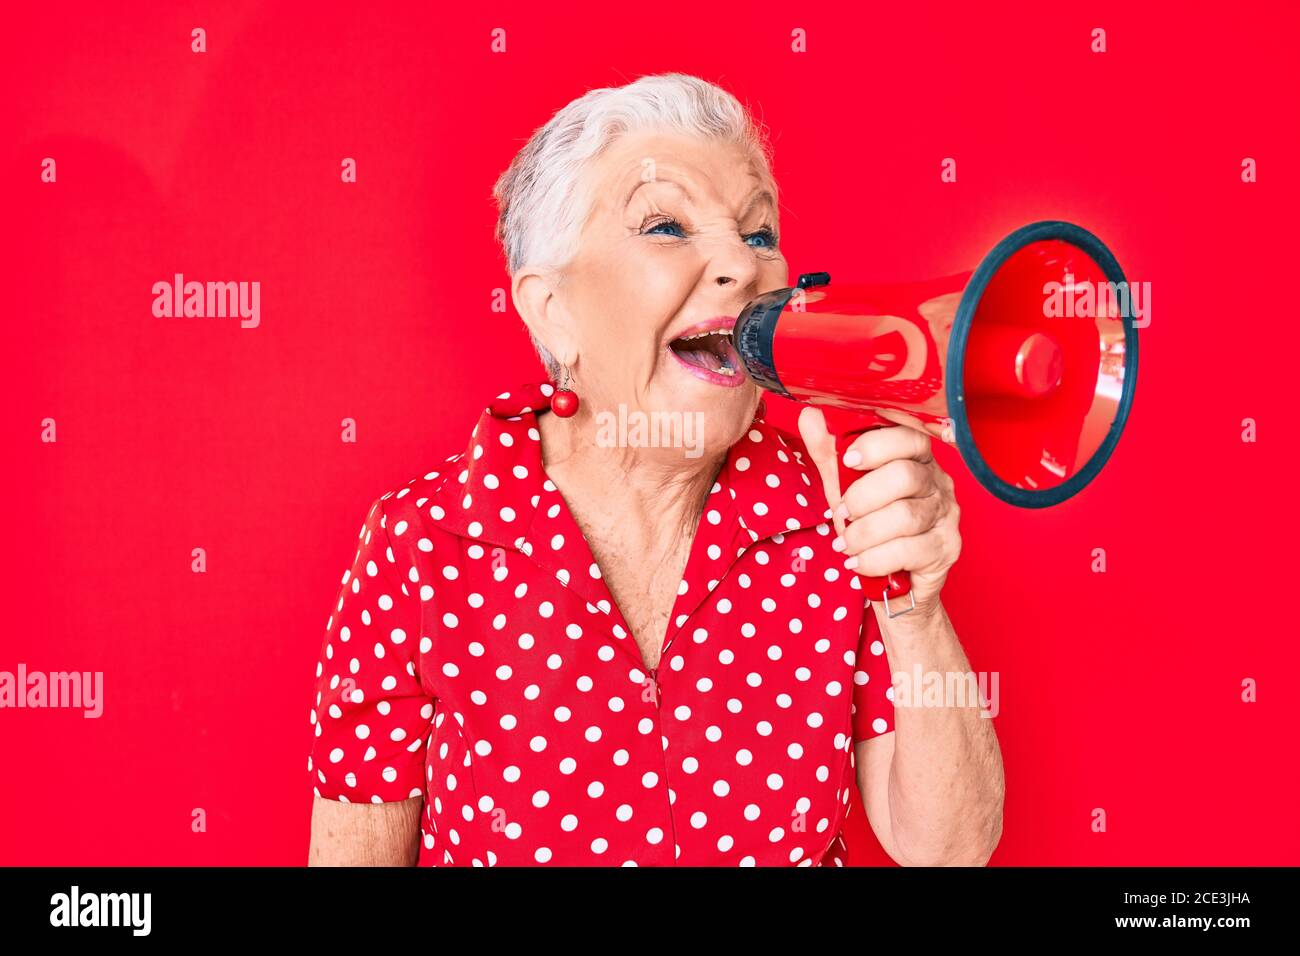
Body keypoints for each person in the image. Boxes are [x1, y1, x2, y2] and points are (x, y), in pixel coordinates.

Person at [307, 72, 1003, 866]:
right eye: (667, 225)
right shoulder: (420, 546)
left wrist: (913, 611)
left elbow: (948, 852)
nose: (742, 266)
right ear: (551, 309)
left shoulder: (836, 513)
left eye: (759, 232)